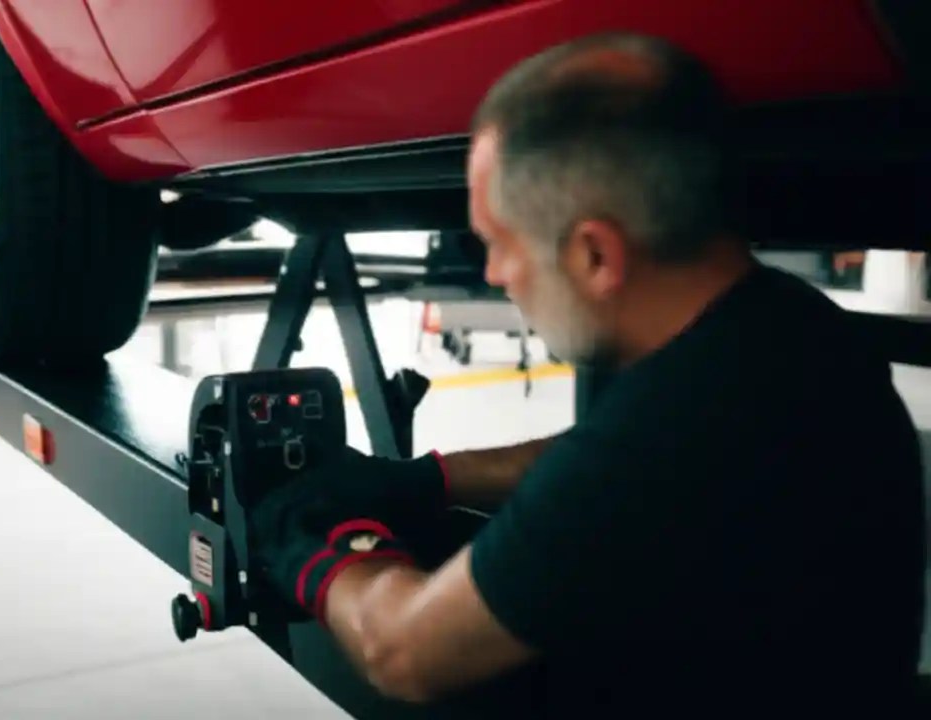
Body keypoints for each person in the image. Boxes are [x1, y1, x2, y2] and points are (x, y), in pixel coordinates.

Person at [247, 32, 928, 718]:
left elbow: (404, 652)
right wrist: (431, 477)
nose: (494, 274)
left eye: (499, 243)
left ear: (596, 255)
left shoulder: (673, 425)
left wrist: (315, 550)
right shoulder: (787, 328)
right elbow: (590, 461)